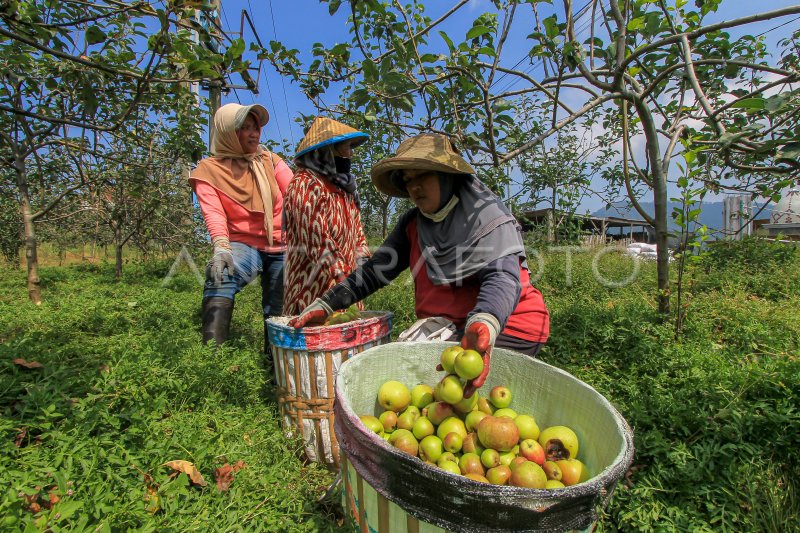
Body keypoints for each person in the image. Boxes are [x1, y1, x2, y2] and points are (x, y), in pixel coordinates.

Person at [289, 133, 549, 397]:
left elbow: (502, 277)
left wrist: (484, 323)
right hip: (454, 327)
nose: (414, 187)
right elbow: (375, 271)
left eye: (422, 175)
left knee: (451, 400)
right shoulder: (414, 224)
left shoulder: (487, 217)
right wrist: (328, 302)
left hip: (503, 326)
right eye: (408, 179)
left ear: (448, 177)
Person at [189, 102, 293, 347]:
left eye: (255, 127)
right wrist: (221, 248)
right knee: (220, 276)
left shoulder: (270, 160)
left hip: (282, 244)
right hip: (243, 243)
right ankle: (213, 356)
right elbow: (214, 213)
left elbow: (297, 194)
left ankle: (274, 364)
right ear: (228, 132)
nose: (254, 133)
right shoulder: (209, 171)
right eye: (245, 128)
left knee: (277, 309)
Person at [282, 117, 371, 316]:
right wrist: (344, 280)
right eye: (346, 147)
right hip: (312, 291)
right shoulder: (305, 184)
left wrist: (363, 265)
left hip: (346, 290)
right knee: (314, 341)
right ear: (326, 152)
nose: (351, 154)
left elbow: (358, 232)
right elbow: (317, 241)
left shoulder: (345, 189)